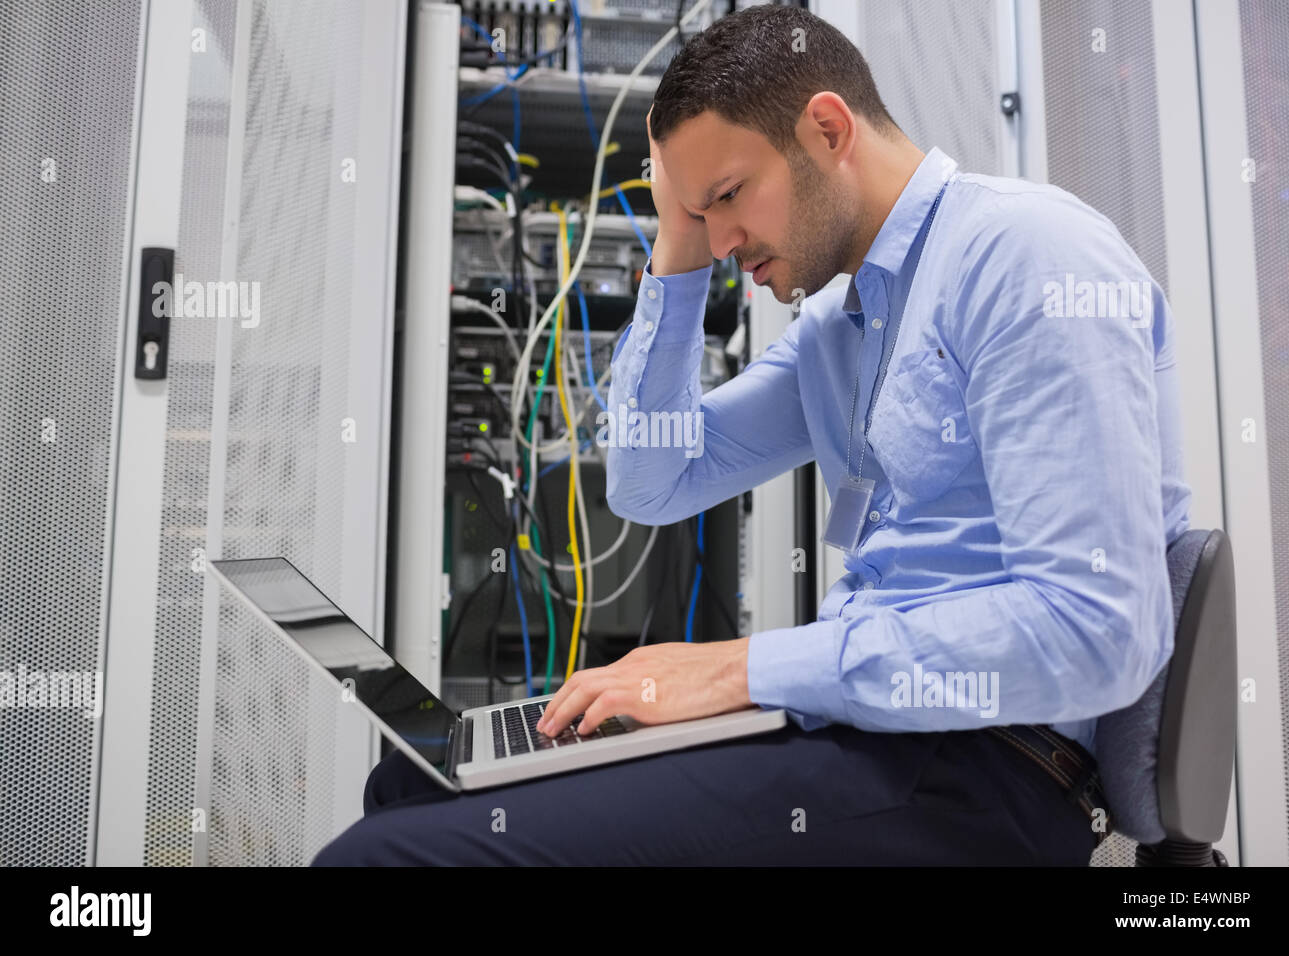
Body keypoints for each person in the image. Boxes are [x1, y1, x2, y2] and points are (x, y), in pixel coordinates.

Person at [313, 4, 1189, 866]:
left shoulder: (1025, 257)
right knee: (416, 780)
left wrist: (736, 671)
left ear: (827, 130)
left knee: (379, 858)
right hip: (867, 733)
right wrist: (680, 242)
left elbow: (1094, 634)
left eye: (729, 195)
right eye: (702, 209)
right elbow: (652, 482)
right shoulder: (844, 326)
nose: (725, 237)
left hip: (986, 765)